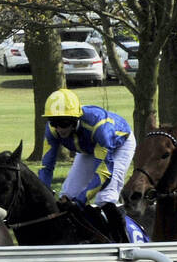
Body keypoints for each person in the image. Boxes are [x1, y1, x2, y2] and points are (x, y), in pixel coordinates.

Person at [38, 88, 136, 242]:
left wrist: (81, 200)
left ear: (75, 119)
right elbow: (46, 167)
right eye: (54, 122)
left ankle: (125, 246)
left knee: (105, 197)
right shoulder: (52, 130)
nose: (59, 128)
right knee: (67, 195)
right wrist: (42, 196)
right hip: (87, 148)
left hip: (118, 145)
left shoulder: (101, 129)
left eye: (63, 123)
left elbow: (103, 173)